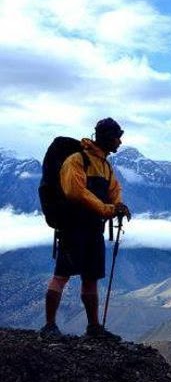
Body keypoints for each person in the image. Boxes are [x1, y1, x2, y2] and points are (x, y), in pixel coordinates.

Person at [40, 118, 132, 339]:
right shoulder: (77, 160)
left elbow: (114, 189)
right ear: (106, 137)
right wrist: (108, 209)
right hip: (73, 226)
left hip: (93, 228)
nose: (120, 141)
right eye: (117, 136)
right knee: (61, 275)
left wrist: (116, 205)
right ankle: (49, 326)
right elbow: (75, 192)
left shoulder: (105, 165)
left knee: (91, 276)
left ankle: (94, 327)